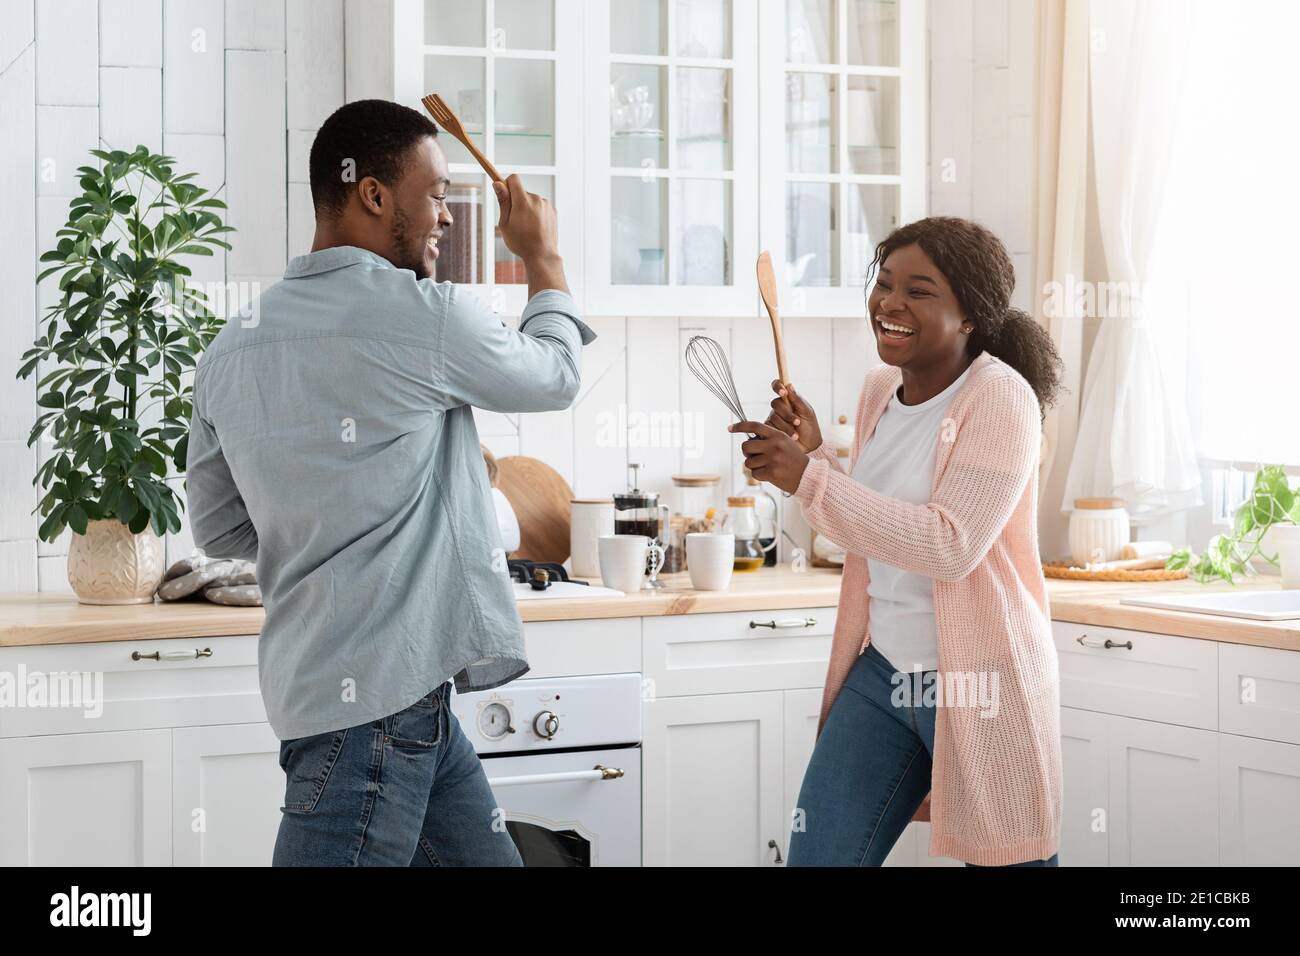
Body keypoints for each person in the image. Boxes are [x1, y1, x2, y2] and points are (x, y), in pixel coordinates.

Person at [185, 99, 594, 866]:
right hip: (370, 719)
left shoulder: (227, 351)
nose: (447, 216)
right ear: (374, 195)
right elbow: (558, 375)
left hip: (394, 706)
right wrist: (543, 259)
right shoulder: (427, 317)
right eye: (437, 192)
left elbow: (222, 531)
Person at [730, 216, 1065, 867]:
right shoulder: (880, 389)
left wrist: (811, 479)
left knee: (1013, 860)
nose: (890, 303)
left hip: (979, 683)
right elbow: (882, 515)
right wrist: (816, 453)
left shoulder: (1001, 400)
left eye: (919, 290)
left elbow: (950, 544)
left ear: (970, 315)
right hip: (883, 672)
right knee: (818, 856)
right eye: (884, 283)